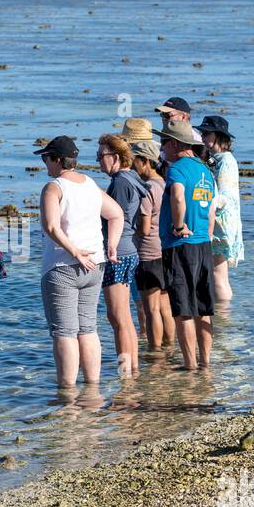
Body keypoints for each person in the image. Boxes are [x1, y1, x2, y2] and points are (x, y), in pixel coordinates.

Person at [37, 136, 125, 388]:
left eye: (46, 158)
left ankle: (67, 393)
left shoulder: (54, 187)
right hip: (95, 265)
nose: (45, 163)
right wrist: (111, 246)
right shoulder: (90, 184)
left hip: (63, 267)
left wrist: (74, 251)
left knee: (64, 332)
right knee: (87, 328)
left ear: (57, 159)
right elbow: (116, 214)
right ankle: (93, 389)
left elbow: (51, 226)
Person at [157, 119, 217, 370]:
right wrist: (208, 234)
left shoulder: (177, 168)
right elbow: (212, 208)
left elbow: (178, 197)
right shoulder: (205, 169)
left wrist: (179, 226)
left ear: (174, 144)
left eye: (163, 143)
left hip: (180, 244)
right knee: (203, 308)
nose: (161, 149)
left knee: (183, 309)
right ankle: (205, 363)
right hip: (203, 244)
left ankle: (190, 365)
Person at [96, 134, 144, 375]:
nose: (98, 161)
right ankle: (132, 370)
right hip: (128, 251)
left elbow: (116, 217)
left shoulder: (121, 182)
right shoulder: (131, 177)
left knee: (118, 319)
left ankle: (125, 373)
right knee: (123, 317)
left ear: (115, 157)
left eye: (101, 156)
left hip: (119, 252)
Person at [129, 139, 174, 351]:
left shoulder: (147, 190)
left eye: (133, 161)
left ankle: (155, 351)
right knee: (165, 306)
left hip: (148, 253)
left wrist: (129, 231)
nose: (130, 165)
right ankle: (169, 345)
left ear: (145, 161)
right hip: (165, 249)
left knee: (151, 309)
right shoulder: (165, 184)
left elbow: (144, 228)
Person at [196, 115, 244, 305]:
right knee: (216, 271)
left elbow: (225, 196)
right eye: (202, 133)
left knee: (218, 272)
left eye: (207, 133)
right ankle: (221, 314)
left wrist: (200, 203)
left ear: (219, 136)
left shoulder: (225, 160)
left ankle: (223, 315)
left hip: (222, 223)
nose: (203, 137)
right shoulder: (215, 158)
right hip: (217, 220)